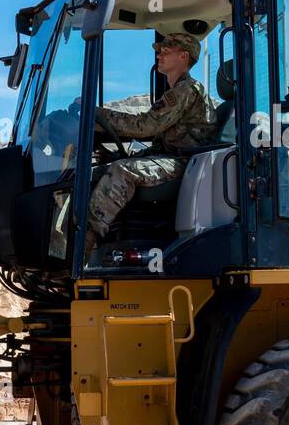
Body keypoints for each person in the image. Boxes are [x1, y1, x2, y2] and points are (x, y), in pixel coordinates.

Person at [84, 32, 214, 261]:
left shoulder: (186, 90)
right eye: (160, 51)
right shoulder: (178, 90)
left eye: (166, 52)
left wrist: (97, 114)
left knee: (123, 171)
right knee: (104, 166)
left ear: (184, 57)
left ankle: (84, 244)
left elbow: (145, 126)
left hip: (185, 162)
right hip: (174, 157)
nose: (159, 55)